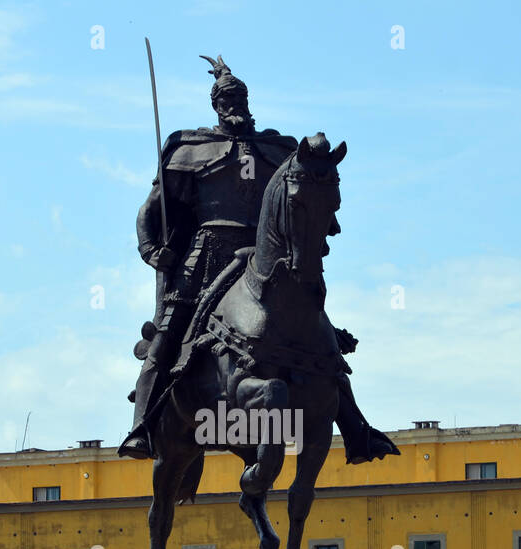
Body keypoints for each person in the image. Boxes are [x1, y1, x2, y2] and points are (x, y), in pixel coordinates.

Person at [120, 55, 397, 465]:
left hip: (268, 257)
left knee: (320, 336)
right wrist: (151, 249)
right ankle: (142, 427)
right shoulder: (190, 149)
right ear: (216, 105)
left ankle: (358, 430)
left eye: (239, 97)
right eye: (226, 98)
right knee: (167, 335)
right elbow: (152, 210)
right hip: (207, 255)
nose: (234, 105)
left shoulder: (279, 150)